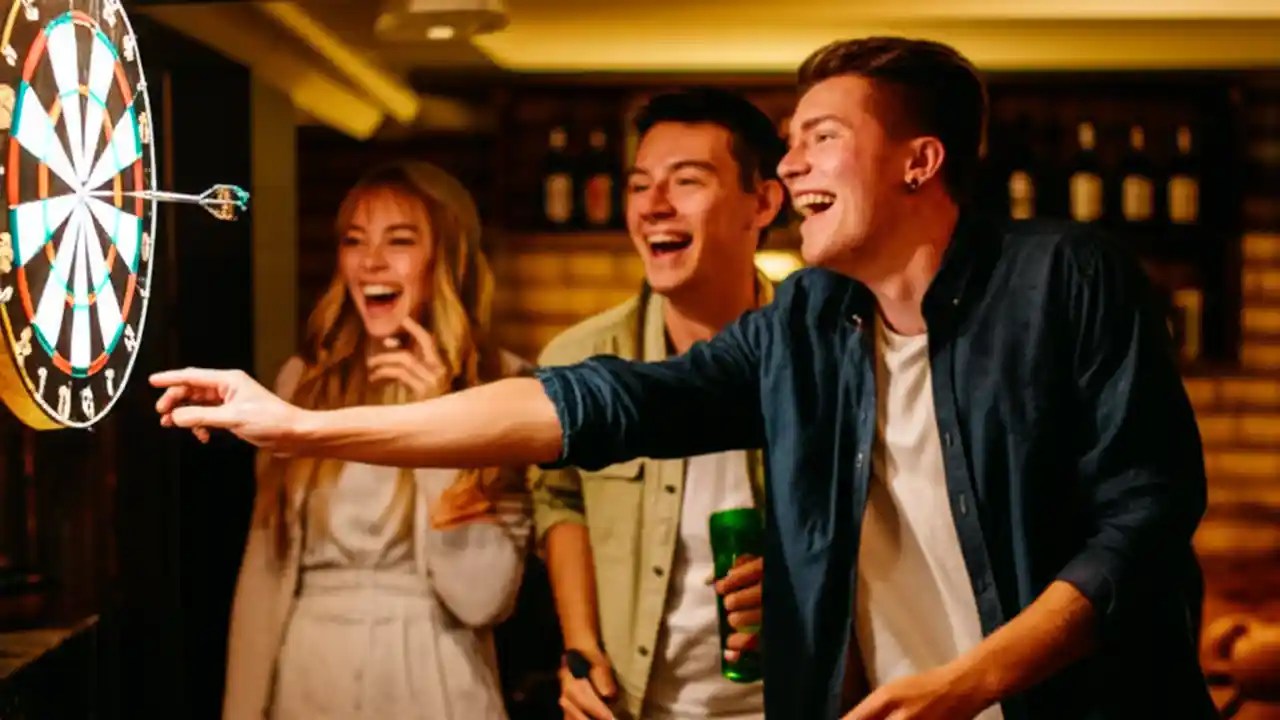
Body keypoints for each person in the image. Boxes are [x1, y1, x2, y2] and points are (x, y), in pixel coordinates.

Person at [154, 37, 1215, 720]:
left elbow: (1142, 522)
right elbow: (594, 403)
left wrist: (969, 678)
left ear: (918, 162)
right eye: (785, 145)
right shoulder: (804, 318)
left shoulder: (1061, 276)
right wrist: (303, 424)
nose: (790, 166)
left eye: (818, 140)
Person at [219, 160, 532, 720]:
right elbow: (263, 575)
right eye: (354, 241)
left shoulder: (503, 385)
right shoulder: (302, 386)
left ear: (447, 258)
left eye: (401, 241)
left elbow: (482, 596)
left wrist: (442, 424)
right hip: (311, 675)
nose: (371, 263)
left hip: (436, 678)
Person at [533, 88, 785, 720]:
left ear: (763, 202)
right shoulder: (581, 355)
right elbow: (560, 498)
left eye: (687, 182)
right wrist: (580, 647)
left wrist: (802, 577)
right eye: (640, 185)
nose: (655, 207)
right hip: (638, 704)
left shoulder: (826, 351)